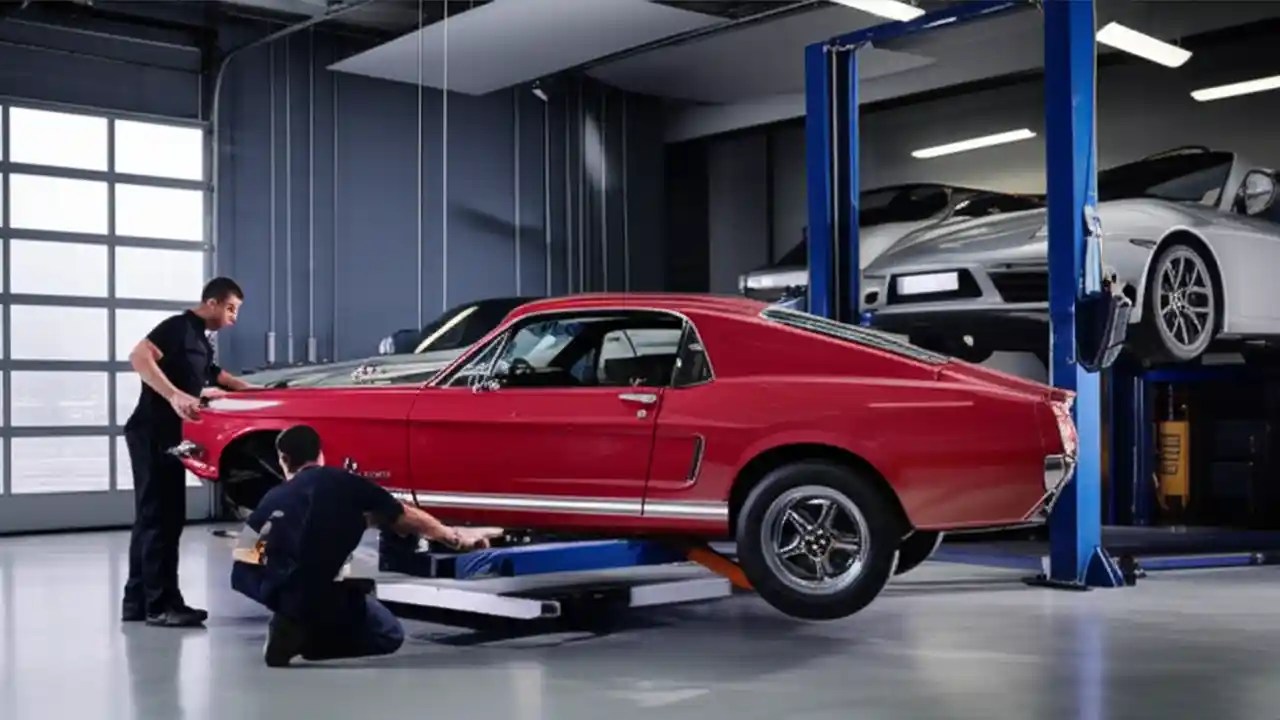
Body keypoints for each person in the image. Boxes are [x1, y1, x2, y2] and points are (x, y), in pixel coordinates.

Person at [233, 424, 502, 668]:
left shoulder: (272, 497)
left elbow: (244, 558)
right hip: (322, 594)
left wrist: (276, 587)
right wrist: (453, 537)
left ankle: (291, 620)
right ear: (320, 453)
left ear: (284, 460)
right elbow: (404, 514)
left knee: (302, 589)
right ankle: (307, 640)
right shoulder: (344, 482)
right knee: (389, 634)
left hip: (279, 593)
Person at [122, 277, 258, 627]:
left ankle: (137, 602)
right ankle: (161, 606)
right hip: (152, 431)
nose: (233, 317)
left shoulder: (200, 341)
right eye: (230, 308)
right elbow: (139, 356)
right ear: (211, 303)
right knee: (161, 519)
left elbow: (213, 374)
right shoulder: (178, 327)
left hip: (168, 435)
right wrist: (174, 395)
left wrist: (253, 390)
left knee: (154, 518)